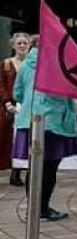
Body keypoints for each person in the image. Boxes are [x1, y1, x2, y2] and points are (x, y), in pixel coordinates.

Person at [12, 37, 77, 221]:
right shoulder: (57, 67)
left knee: (34, 168)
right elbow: (69, 91)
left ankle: (33, 208)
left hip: (29, 122)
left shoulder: (25, 65)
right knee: (49, 167)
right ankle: (42, 209)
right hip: (51, 125)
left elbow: (17, 93)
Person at [1, 32, 31, 186]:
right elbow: (2, 85)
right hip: (9, 107)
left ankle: (17, 173)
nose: (22, 46)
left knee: (23, 139)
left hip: (26, 105)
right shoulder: (6, 63)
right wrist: (7, 103)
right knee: (7, 139)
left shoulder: (32, 64)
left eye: (25, 43)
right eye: (19, 43)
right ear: (13, 45)